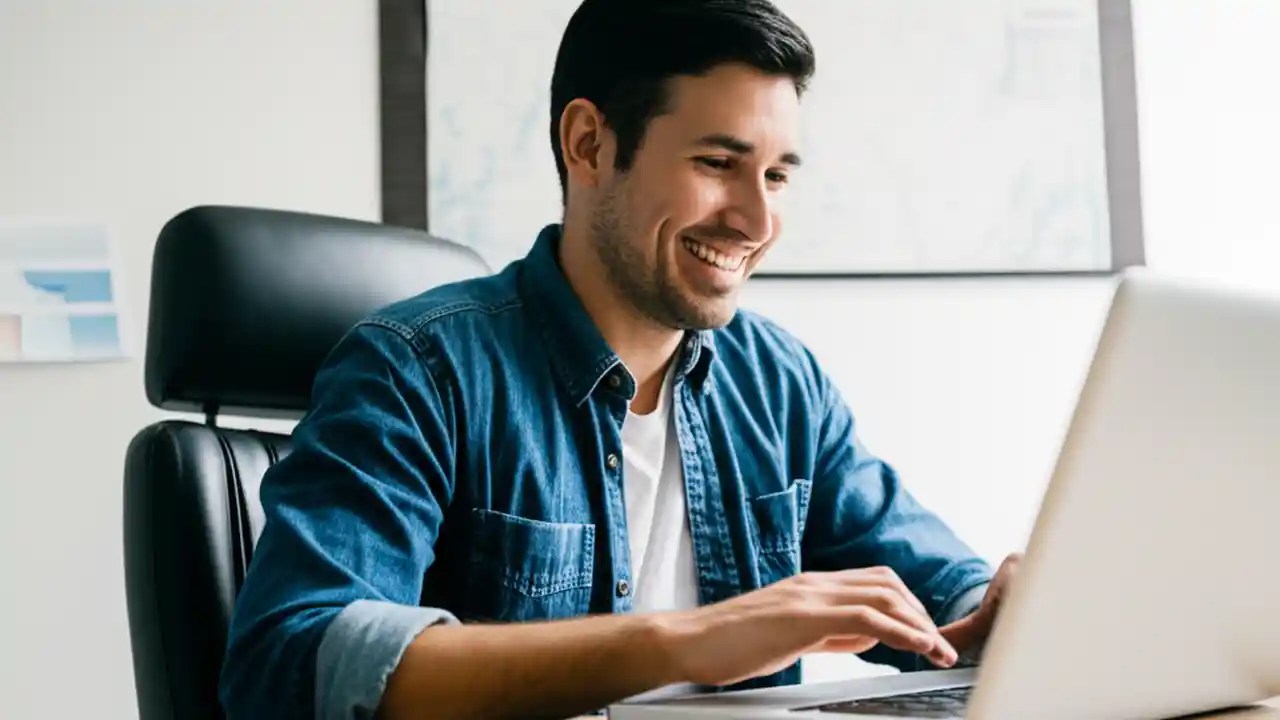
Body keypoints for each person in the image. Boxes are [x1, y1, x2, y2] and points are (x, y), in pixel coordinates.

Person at [220, 1, 1021, 718]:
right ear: (589, 144)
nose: (756, 219)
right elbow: (296, 660)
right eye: (717, 164)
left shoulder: (778, 383)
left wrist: (1005, 609)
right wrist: (683, 642)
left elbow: (930, 590)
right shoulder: (416, 370)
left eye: (777, 176)